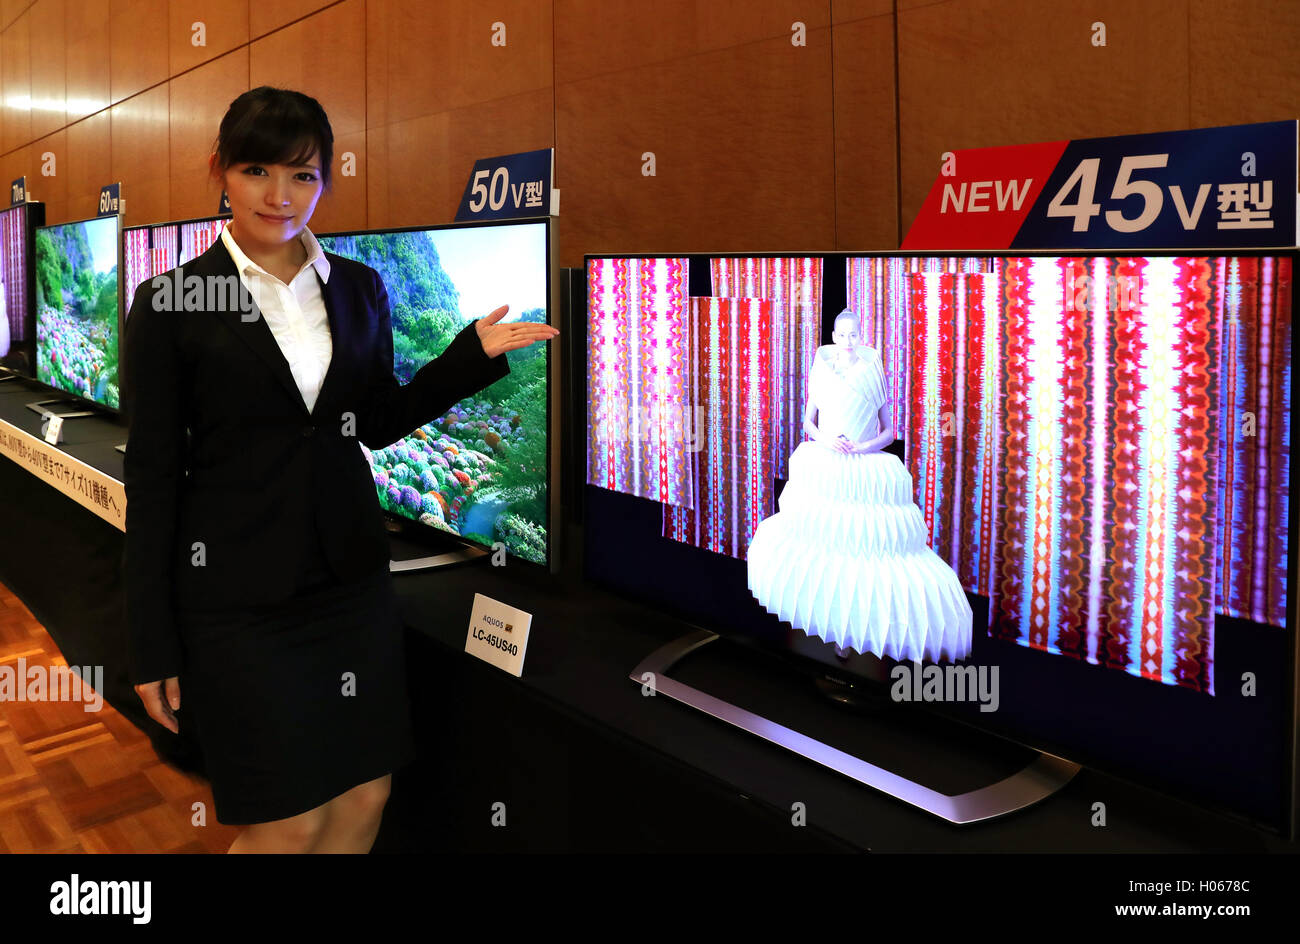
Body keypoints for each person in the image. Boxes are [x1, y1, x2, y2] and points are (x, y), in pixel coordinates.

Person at [123, 87, 557, 853]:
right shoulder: (170, 301)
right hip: (238, 600)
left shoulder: (358, 288)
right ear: (220, 169)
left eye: (304, 175)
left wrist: (465, 359)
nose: (280, 196)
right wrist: (151, 641)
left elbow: (378, 422)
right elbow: (154, 479)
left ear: (325, 181)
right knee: (287, 824)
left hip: (350, 585)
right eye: (258, 170)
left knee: (364, 797)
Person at [746, 309, 971, 663]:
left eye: (855, 335)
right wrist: (826, 440)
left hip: (865, 466)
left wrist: (863, 447)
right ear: (835, 336)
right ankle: (831, 627)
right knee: (826, 546)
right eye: (843, 335)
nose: (849, 341)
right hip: (826, 462)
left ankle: (856, 631)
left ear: (860, 336)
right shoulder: (822, 369)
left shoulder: (872, 372)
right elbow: (809, 420)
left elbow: (888, 431)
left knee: (863, 549)